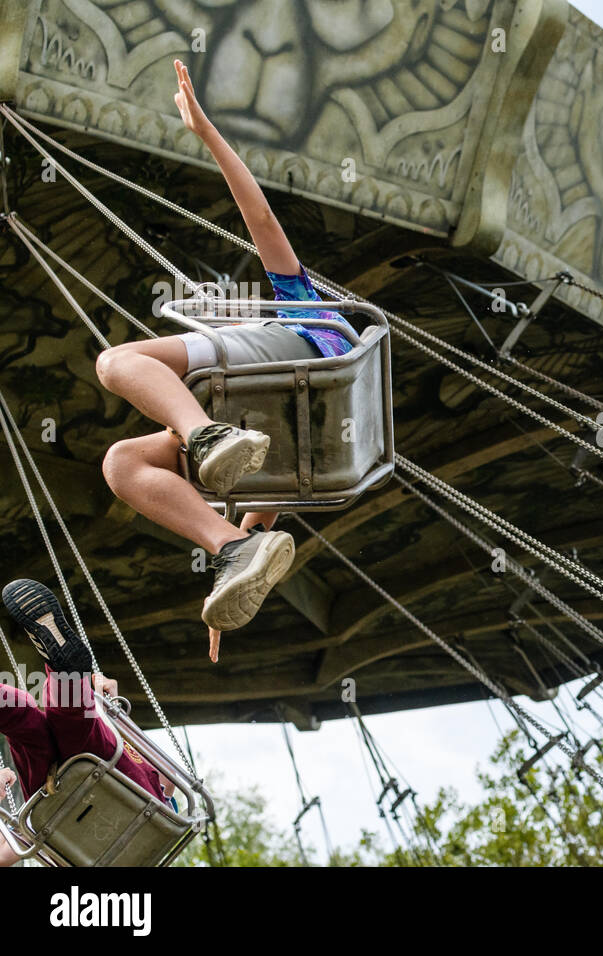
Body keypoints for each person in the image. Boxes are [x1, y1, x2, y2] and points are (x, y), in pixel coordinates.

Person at [94, 59, 351, 643]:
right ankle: (228, 550)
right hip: (283, 428)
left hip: (297, 363)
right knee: (122, 462)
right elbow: (268, 498)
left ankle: (202, 434)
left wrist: (208, 135)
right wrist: (238, 578)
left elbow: (258, 216)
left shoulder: (299, 304)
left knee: (118, 362)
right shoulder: (273, 430)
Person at [0, 579, 174, 865]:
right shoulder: (153, 829)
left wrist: (111, 715)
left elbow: (166, 777)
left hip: (60, 800)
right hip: (66, 807)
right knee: (41, 722)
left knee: (45, 721)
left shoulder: (161, 817)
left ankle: (71, 678)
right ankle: (69, 675)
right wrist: (114, 715)